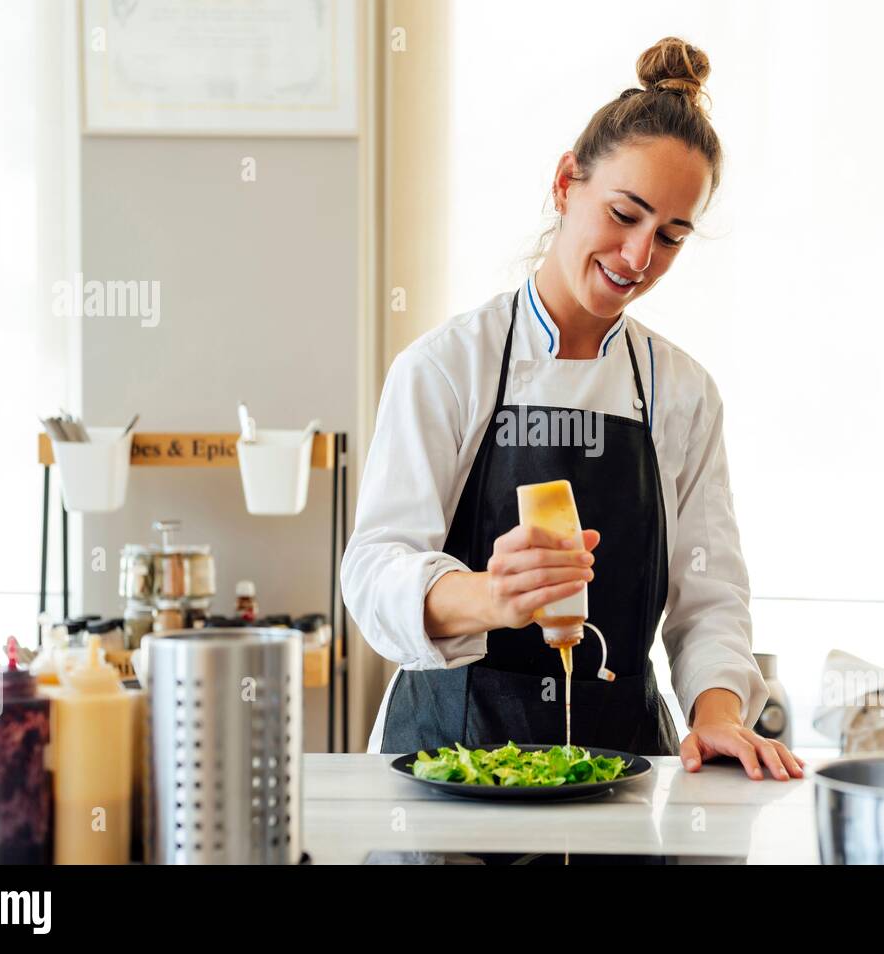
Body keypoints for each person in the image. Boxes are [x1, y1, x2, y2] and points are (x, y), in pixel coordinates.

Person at [343, 37, 804, 781]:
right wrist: (492, 596)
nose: (637, 256)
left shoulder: (682, 393)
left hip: (620, 762)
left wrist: (718, 715)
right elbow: (373, 571)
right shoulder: (445, 366)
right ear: (566, 183)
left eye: (671, 237)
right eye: (625, 214)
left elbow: (709, 596)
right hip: (445, 756)